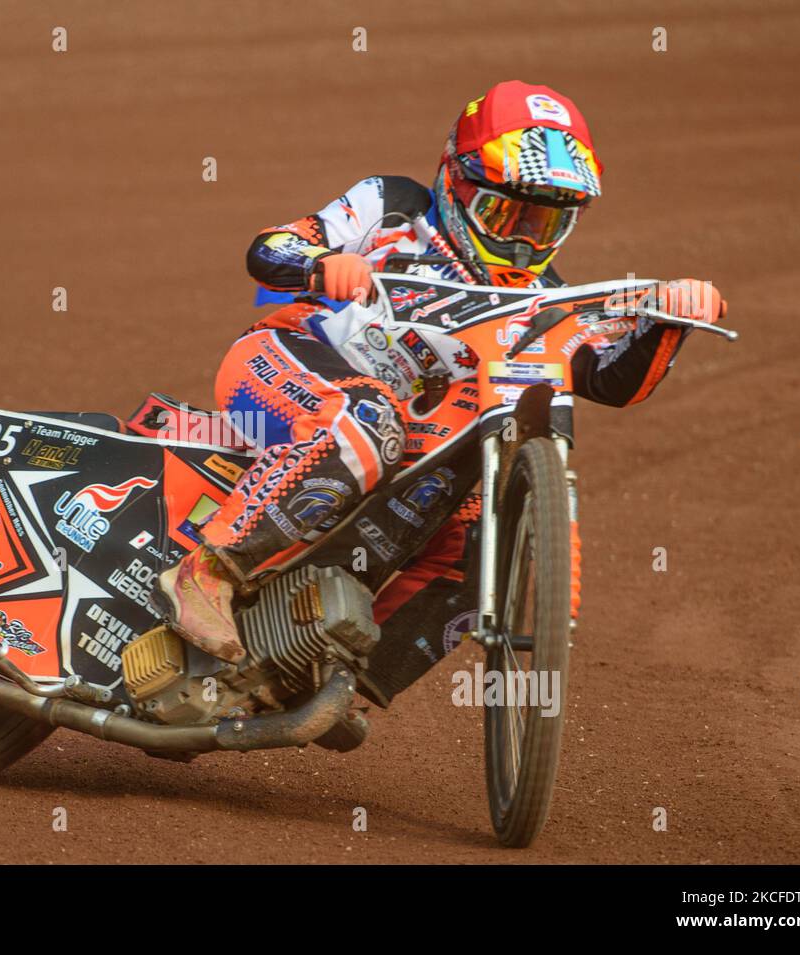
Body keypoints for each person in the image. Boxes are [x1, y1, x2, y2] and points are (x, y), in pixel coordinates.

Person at [157, 80, 725, 702]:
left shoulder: (543, 302)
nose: (520, 240)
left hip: (389, 433)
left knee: (480, 533)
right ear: (457, 184)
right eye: (506, 214)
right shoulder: (392, 206)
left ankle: (324, 677)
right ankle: (207, 571)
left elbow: (608, 380)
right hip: (280, 365)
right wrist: (321, 266)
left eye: (544, 224)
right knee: (366, 419)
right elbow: (269, 248)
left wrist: (665, 322)